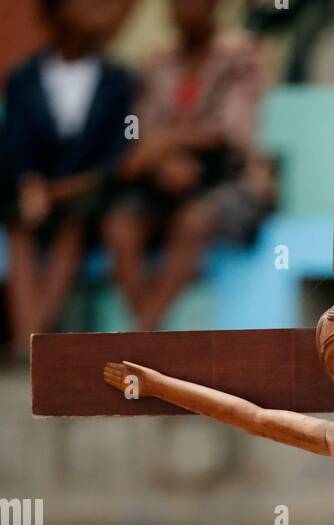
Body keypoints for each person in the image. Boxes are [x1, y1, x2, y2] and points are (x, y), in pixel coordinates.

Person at [104, 0, 273, 331]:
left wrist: (168, 144)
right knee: (119, 225)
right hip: (165, 178)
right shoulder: (157, 64)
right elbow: (141, 129)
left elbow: (231, 131)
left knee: (193, 222)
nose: (185, 9)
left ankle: (143, 332)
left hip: (228, 178)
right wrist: (165, 161)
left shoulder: (241, 56)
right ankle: (148, 331)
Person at [2, 0, 136, 353]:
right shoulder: (23, 78)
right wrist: (30, 185)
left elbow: (121, 153)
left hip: (88, 197)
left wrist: (61, 191)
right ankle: (28, 341)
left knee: (71, 227)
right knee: (20, 226)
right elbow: (14, 144)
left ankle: (34, 340)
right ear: (56, 14)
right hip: (34, 194)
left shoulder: (117, 81)